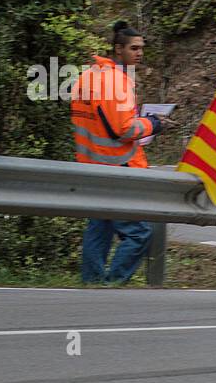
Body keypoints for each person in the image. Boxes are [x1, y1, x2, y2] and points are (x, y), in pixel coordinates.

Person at [69, 21, 178, 285]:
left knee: (100, 229)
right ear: (118, 49)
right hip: (117, 168)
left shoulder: (89, 76)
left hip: (91, 165)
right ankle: (113, 284)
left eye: (142, 48)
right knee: (139, 233)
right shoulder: (116, 82)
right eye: (134, 48)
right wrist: (155, 123)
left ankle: (92, 284)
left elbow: (97, 121)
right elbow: (124, 128)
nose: (139, 53)